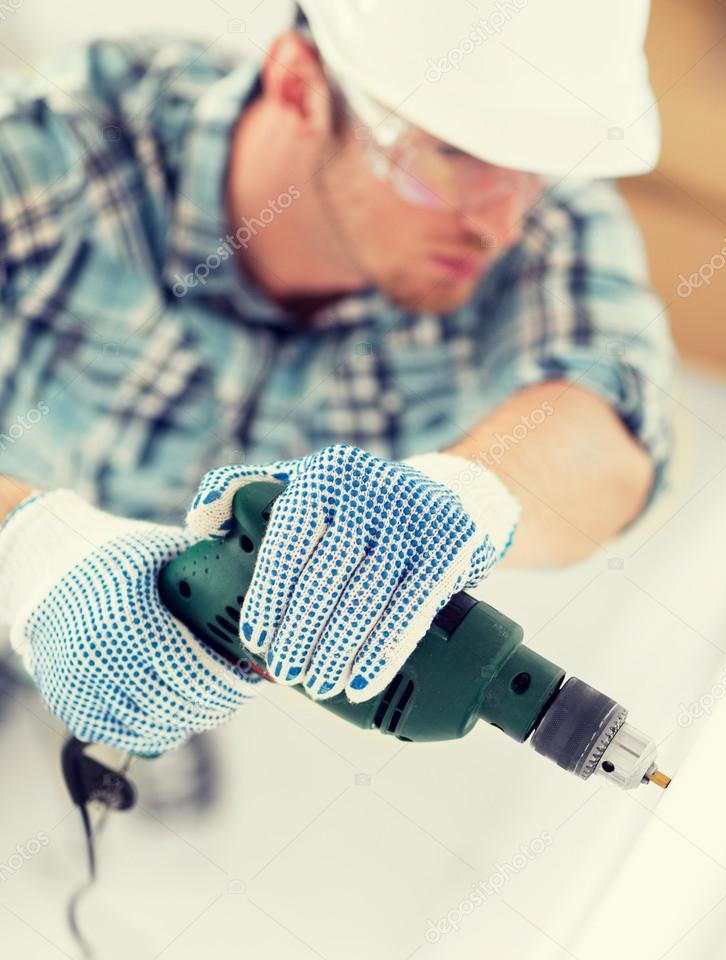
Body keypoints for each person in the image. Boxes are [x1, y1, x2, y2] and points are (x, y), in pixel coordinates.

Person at [0, 0, 674, 755]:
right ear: (299, 85)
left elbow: (608, 438)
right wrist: (30, 546)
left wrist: (473, 489)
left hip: (182, 664)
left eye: (537, 174)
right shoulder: (55, 151)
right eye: (453, 154)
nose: (501, 224)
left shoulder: (554, 232)